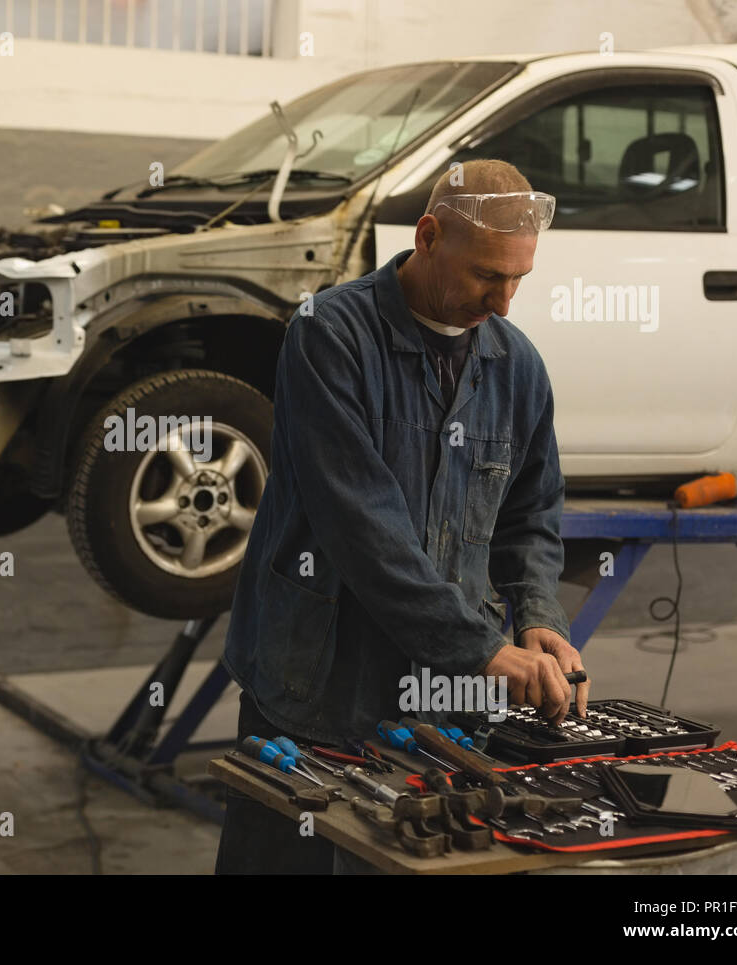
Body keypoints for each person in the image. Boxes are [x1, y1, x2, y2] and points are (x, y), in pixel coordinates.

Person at [215, 159, 588, 874]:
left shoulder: (517, 367)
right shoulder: (330, 337)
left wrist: (540, 618)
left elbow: (530, 515)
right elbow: (364, 528)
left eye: (518, 280)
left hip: (441, 700)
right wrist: (484, 651)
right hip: (318, 679)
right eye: (486, 275)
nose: (504, 301)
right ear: (428, 235)